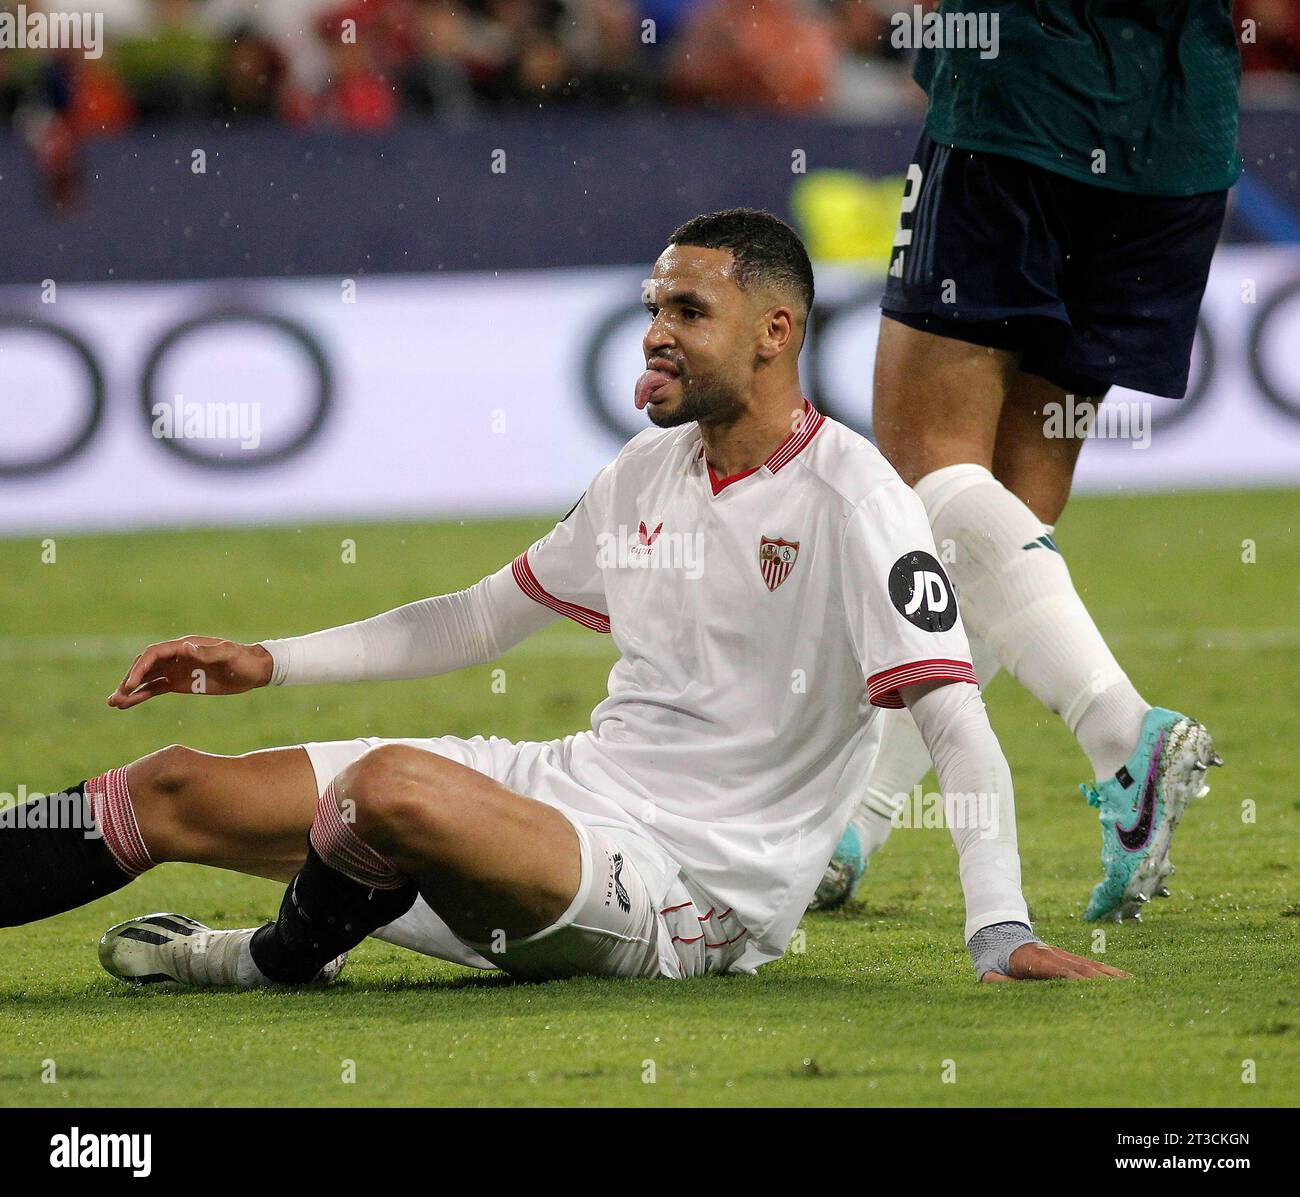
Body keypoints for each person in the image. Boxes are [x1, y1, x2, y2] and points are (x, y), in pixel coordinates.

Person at [3, 210, 1122, 987]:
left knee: (387, 789)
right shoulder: (645, 471)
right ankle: (307, 927)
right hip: (563, 800)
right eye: (652, 306)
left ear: (776, 333)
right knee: (171, 786)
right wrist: (269, 661)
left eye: (688, 310)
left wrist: (999, 932)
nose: (654, 333)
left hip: (687, 891)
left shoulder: (855, 497)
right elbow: (480, 619)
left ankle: (257, 960)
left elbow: (957, 726)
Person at [813, 1, 1231, 919]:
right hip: (1177, 138)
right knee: (1009, 510)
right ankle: (854, 825)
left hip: (1019, 105)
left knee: (930, 471)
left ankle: (1125, 737)